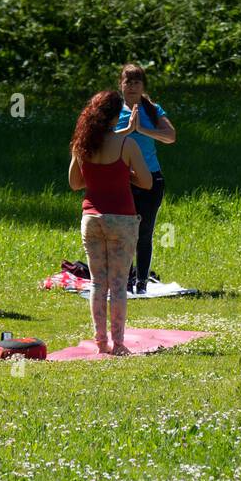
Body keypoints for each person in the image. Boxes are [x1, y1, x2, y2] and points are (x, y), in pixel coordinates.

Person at [70, 90, 153, 354]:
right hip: (122, 219)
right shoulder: (127, 145)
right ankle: (118, 343)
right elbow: (147, 182)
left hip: (91, 218)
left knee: (97, 282)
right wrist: (124, 175)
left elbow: (75, 183)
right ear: (116, 116)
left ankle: (100, 343)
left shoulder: (82, 145)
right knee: (118, 285)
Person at [115, 63, 176, 294]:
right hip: (122, 178)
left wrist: (141, 129)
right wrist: (127, 130)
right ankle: (125, 280)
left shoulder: (152, 110)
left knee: (145, 232)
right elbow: (101, 138)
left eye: (137, 82)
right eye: (128, 81)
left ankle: (141, 282)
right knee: (124, 231)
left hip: (151, 178)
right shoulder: (113, 110)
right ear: (121, 84)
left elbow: (170, 136)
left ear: (143, 86)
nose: (132, 86)